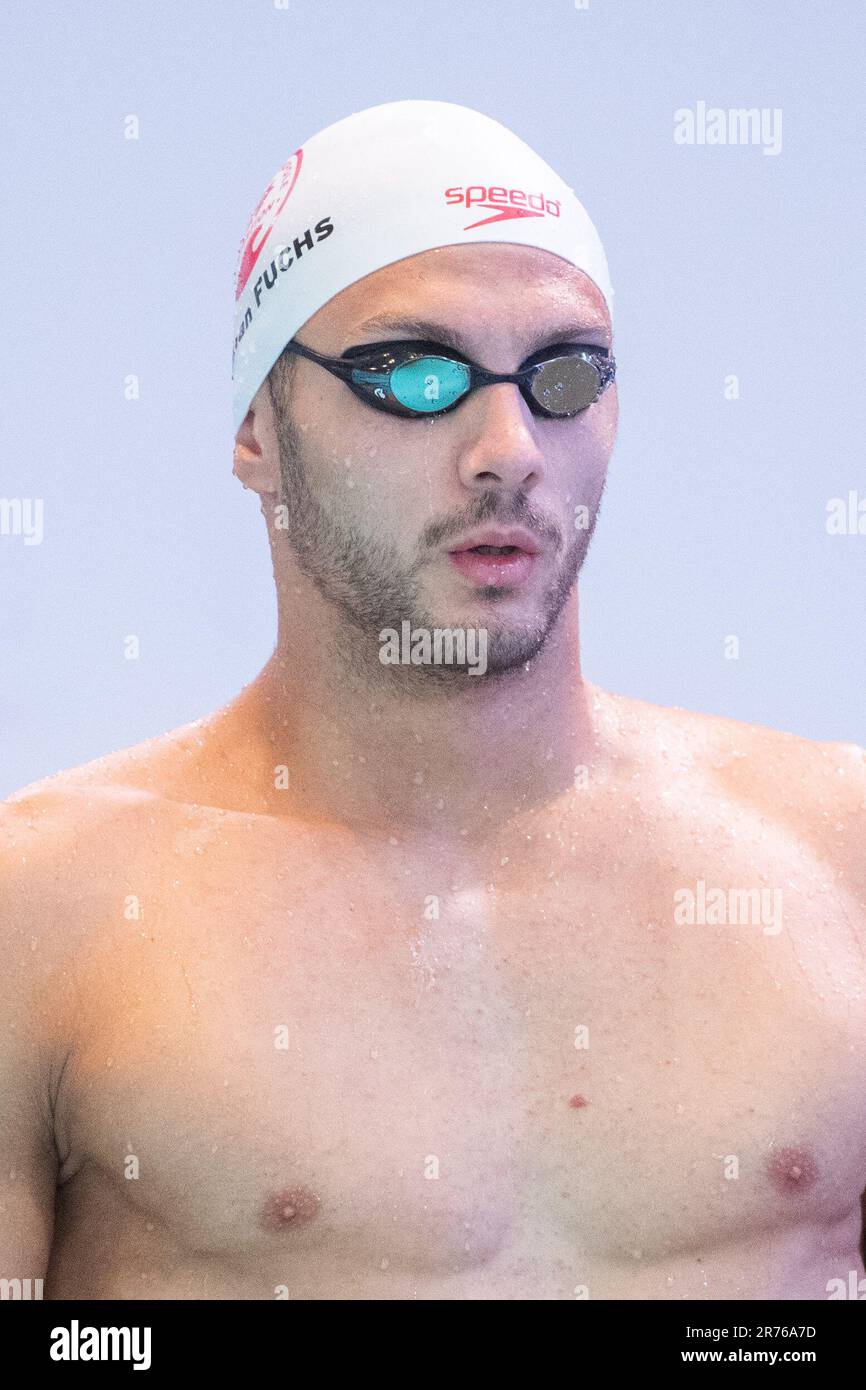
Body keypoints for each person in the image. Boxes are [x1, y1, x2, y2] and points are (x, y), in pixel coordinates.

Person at [2, 101, 865, 1302]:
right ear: (257, 425)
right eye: (414, 374)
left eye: (562, 374)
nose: (507, 446)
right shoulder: (41, 914)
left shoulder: (838, 854)